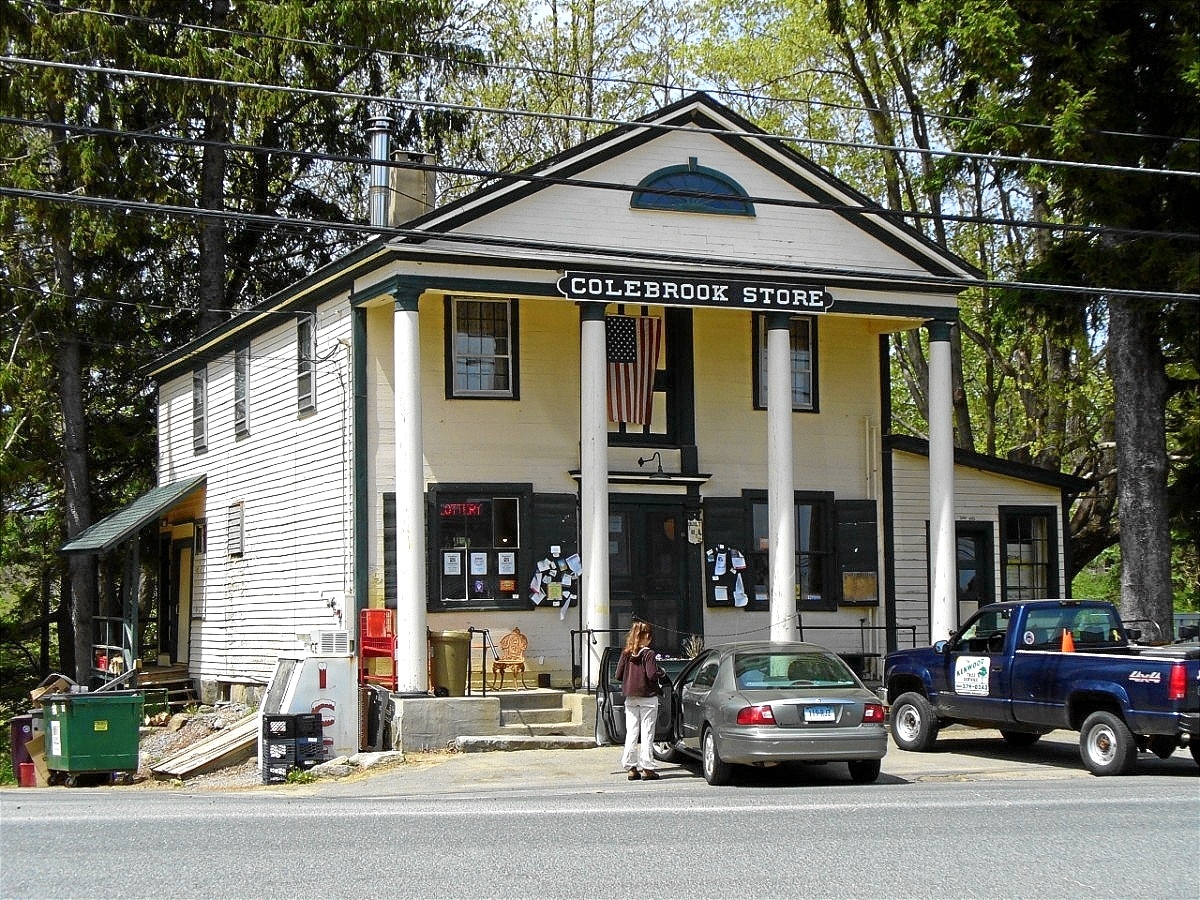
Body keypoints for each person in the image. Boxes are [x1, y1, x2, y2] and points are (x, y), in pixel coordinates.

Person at [615, 621, 662, 781]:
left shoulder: (626, 653)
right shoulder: (649, 654)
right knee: (647, 732)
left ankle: (631, 768)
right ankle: (647, 768)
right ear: (646, 636)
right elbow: (651, 674)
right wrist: (661, 673)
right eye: (650, 635)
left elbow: (618, 675)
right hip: (648, 697)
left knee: (632, 732)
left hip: (631, 697)